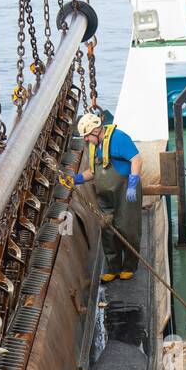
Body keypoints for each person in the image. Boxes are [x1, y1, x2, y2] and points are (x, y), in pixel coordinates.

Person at [74, 111, 143, 283]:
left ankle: (129, 267)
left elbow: (136, 160)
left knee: (128, 228)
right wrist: (76, 179)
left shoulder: (119, 138)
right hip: (106, 196)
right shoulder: (94, 146)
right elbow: (93, 171)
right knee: (107, 230)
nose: (85, 139)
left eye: (87, 135)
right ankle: (113, 268)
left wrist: (133, 184)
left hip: (125, 192)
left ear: (96, 131)